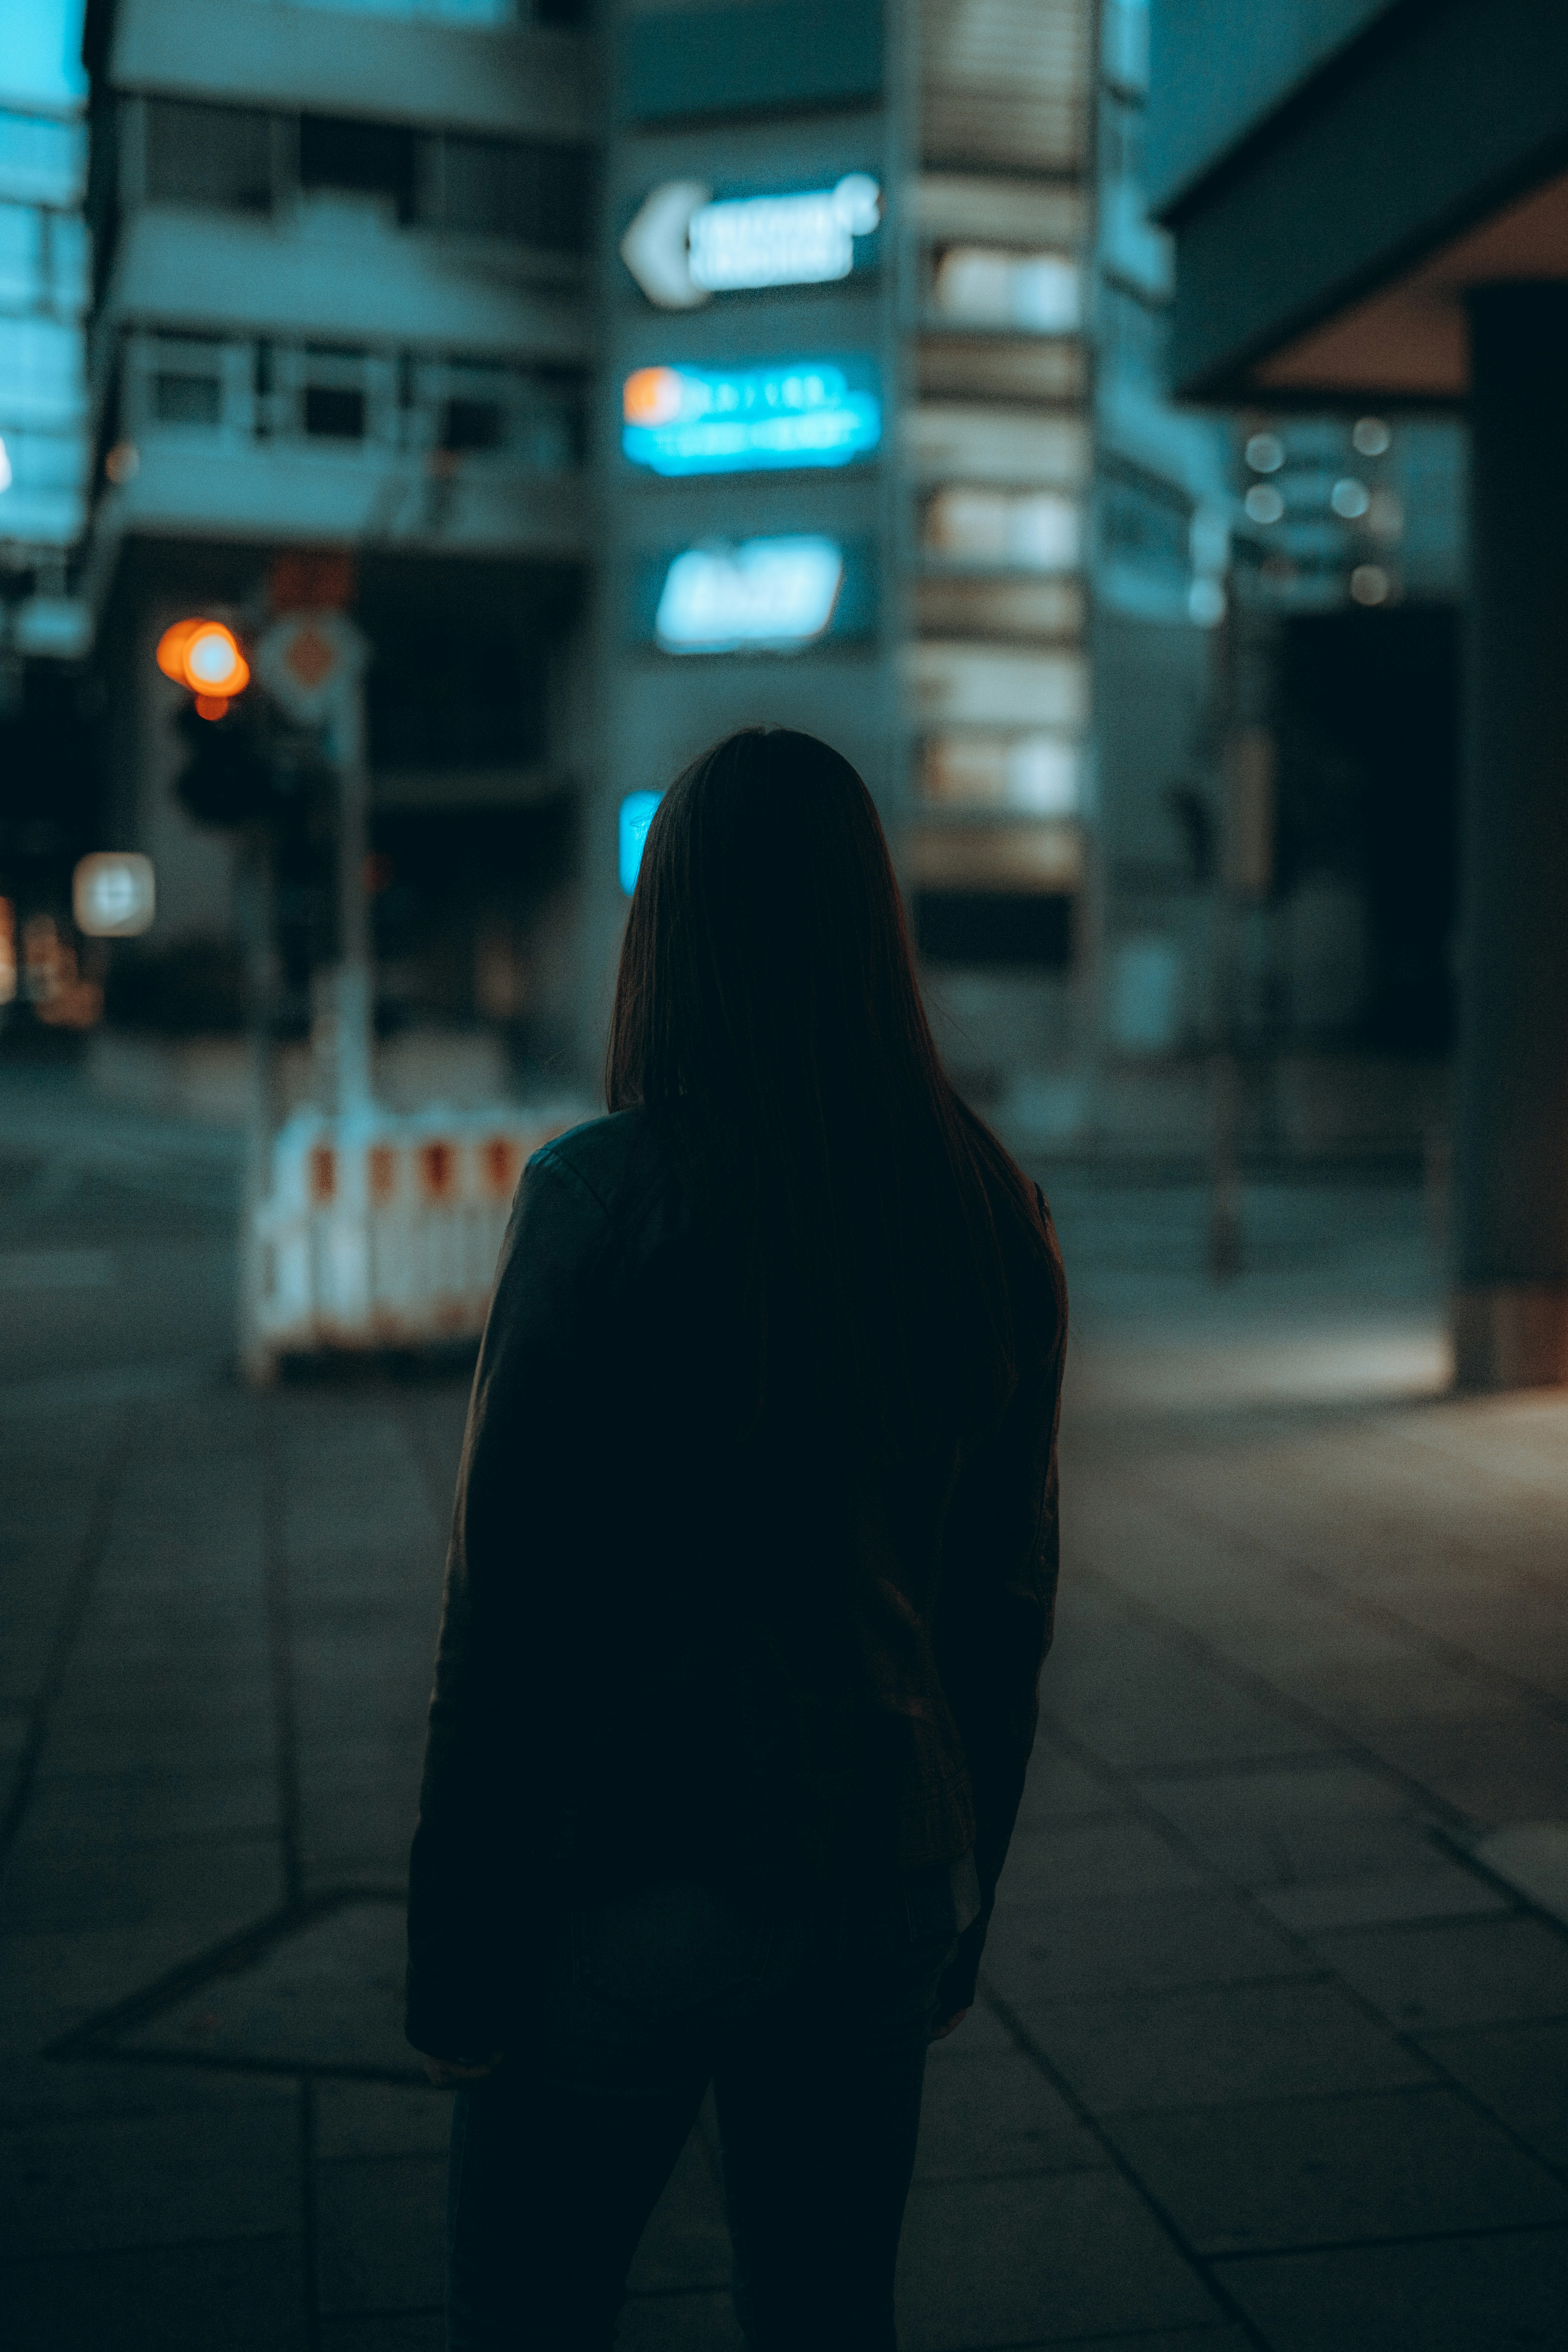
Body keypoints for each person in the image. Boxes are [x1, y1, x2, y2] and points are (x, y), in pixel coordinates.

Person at [406, 726, 1068, 2351]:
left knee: (526, 2303)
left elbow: (510, 1617)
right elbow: (1003, 1600)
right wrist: (963, 1889)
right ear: (872, 925)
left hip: (644, 1861)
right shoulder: (980, 1200)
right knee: (824, 2305)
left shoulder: (599, 1197)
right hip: (882, 1868)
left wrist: (460, 1948)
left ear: (669, 933)